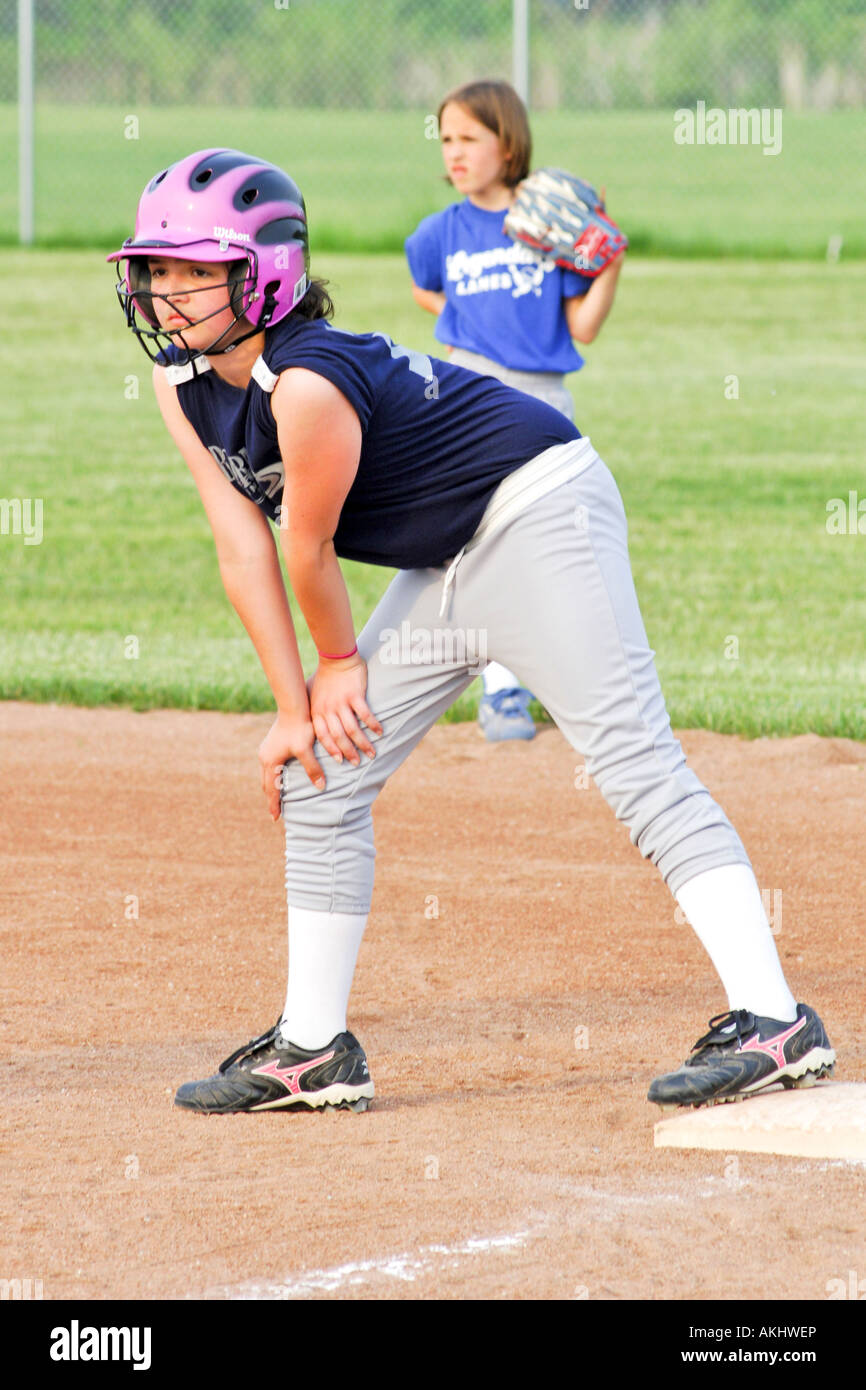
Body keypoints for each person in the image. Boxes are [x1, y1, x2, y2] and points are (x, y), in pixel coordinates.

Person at [108, 148, 835, 1116]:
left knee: (630, 764)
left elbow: (308, 551)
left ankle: (773, 1019)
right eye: (157, 267)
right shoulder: (181, 386)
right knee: (317, 772)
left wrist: (334, 666)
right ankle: (314, 1050)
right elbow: (241, 542)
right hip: (445, 555)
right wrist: (293, 708)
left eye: (195, 268)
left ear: (263, 273)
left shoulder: (306, 386)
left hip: (539, 511)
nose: (166, 290)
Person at [406, 80, 625, 742]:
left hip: (544, 403)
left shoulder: (545, 225)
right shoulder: (439, 231)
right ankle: (501, 692)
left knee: (551, 549)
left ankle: (549, 684)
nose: (455, 152)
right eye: (446, 139)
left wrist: (611, 259)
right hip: (470, 403)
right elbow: (424, 288)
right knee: (480, 544)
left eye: (471, 138)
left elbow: (582, 326)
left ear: (509, 145)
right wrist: (465, 322)